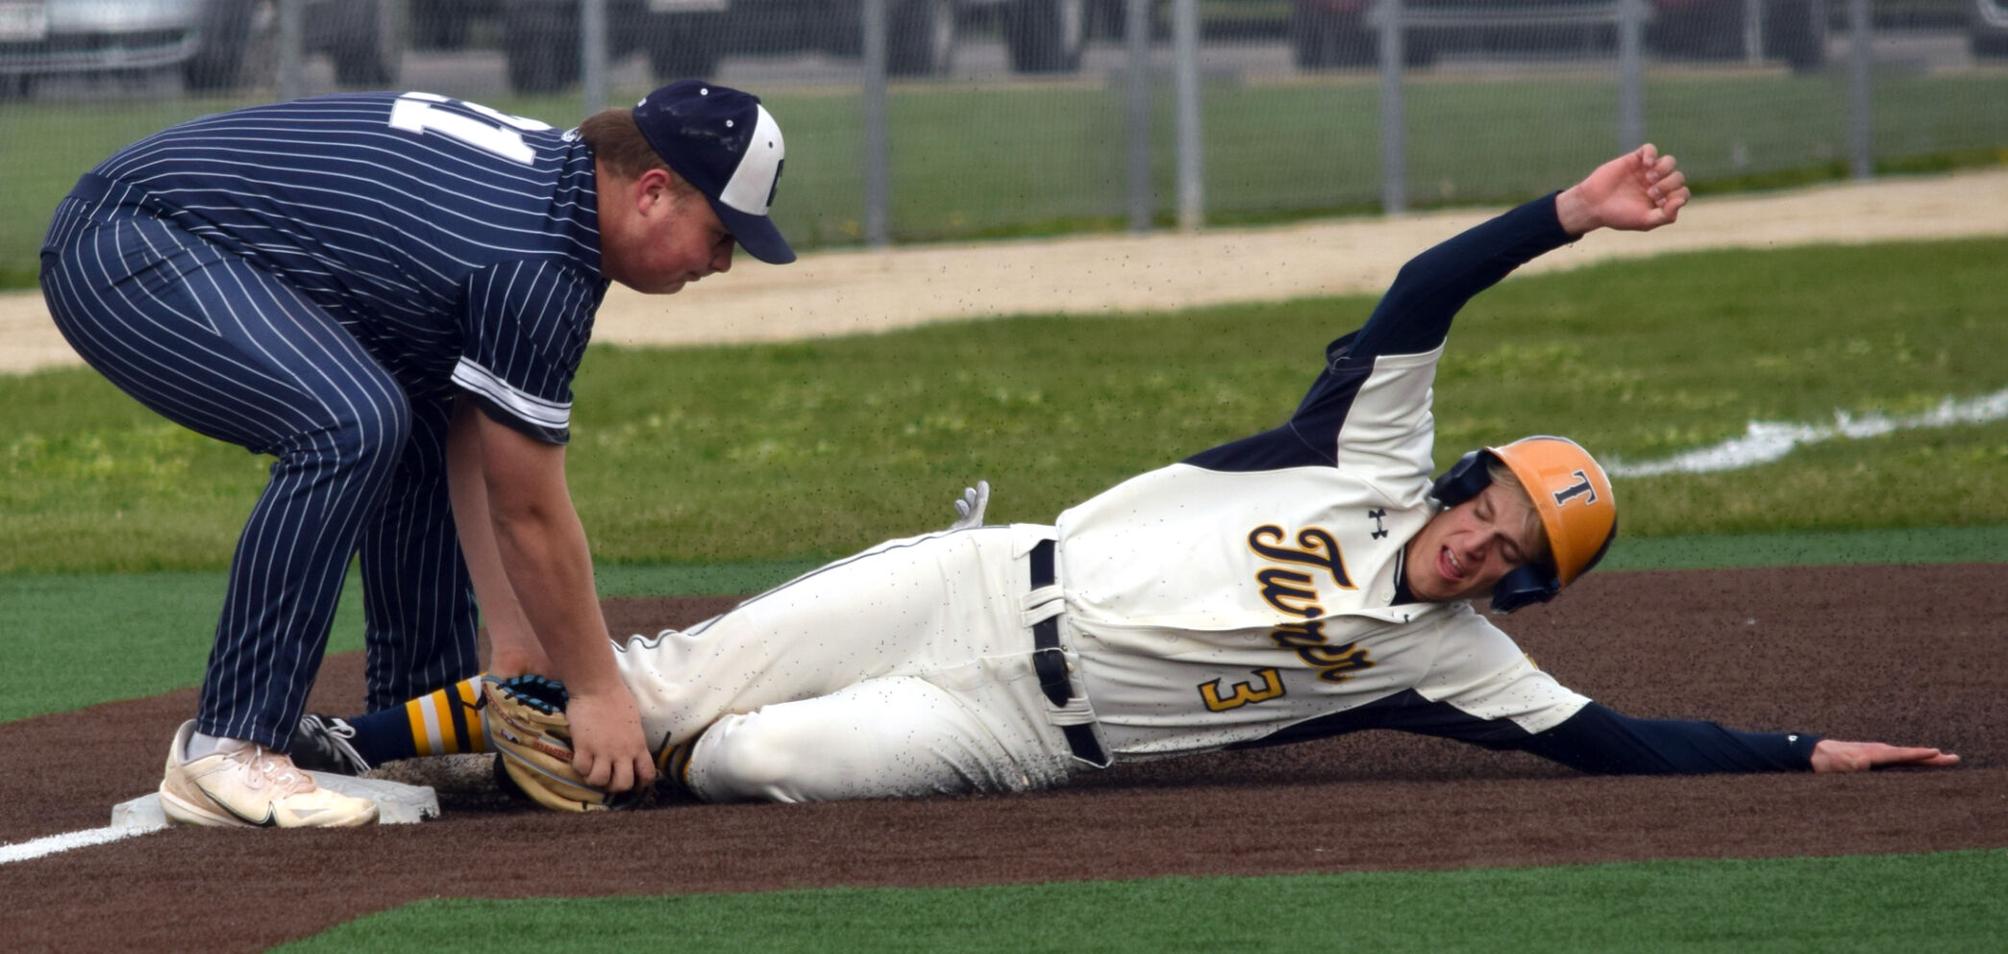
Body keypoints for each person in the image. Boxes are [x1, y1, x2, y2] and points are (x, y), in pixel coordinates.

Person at [292, 145, 1957, 808]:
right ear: (1459, 479)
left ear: (1519, 587)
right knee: (657, 682)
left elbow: (1618, 741)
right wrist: (1564, 218)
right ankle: (359, 742)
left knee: (747, 756)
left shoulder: (1456, 664)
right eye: (1487, 504)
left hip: (1016, 735)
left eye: (1511, 551)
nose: (1476, 543)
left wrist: (1801, 748)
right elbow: (1420, 296)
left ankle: (581, 751)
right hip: (975, 580)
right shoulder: (1363, 457)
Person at [38, 80, 794, 828]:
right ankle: (225, 748)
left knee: (421, 408)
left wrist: (520, 645)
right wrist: (597, 691)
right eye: (721, 233)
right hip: (132, 237)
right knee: (351, 423)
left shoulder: (560, 202)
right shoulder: (537, 258)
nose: (723, 261)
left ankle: (409, 724)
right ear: (653, 192)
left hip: (180, 231)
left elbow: (476, 435)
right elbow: (528, 510)